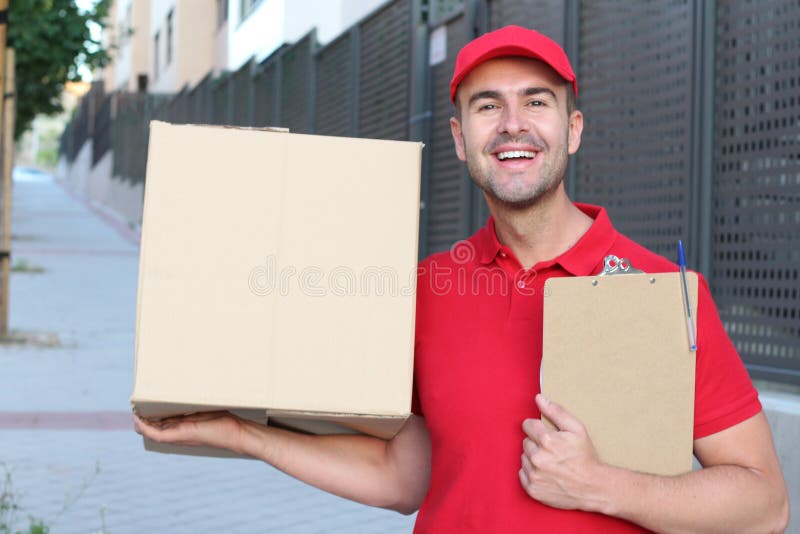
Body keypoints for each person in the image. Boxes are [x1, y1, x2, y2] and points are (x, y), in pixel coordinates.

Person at [135, 25, 789, 533]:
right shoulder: (422, 292)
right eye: (487, 106)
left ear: (573, 129)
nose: (512, 125)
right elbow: (405, 477)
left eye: (537, 102)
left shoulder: (661, 293)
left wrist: (603, 486)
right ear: (458, 137)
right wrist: (243, 434)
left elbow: (763, 506)